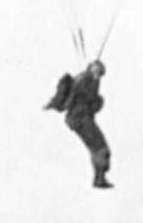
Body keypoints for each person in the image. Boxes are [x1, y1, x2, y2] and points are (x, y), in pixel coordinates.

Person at [45, 59, 113, 188]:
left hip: (79, 119)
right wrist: (97, 101)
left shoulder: (84, 79)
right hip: (81, 119)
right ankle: (99, 178)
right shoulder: (85, 81)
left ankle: (100, 177)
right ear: (93, 71)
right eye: (97, 73)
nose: (98, 77)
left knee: (97, 147)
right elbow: (88, 101)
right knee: (100, 147)